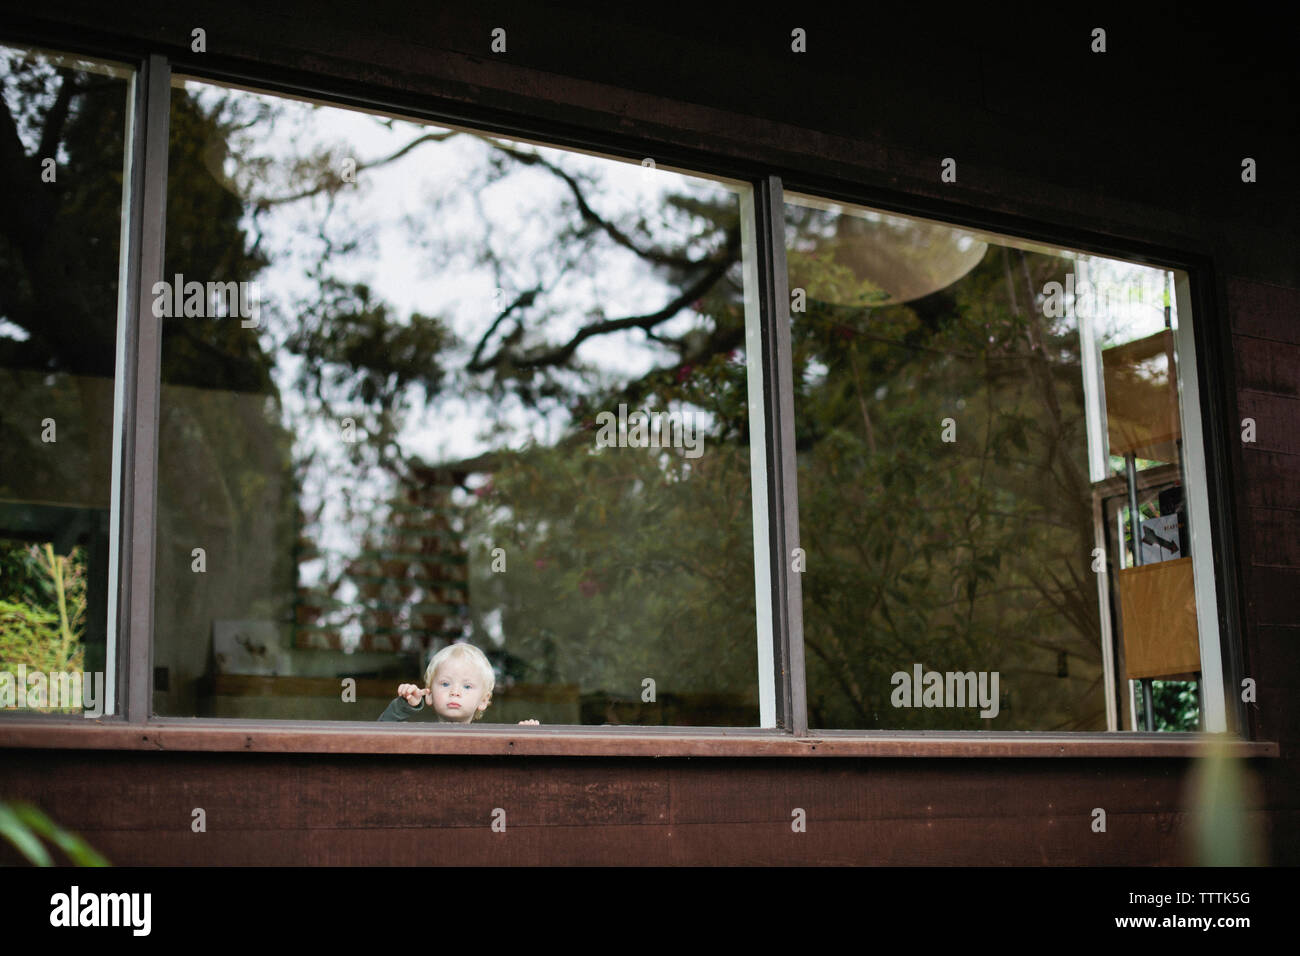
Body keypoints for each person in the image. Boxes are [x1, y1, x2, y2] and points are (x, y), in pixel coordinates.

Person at [378, 642, 539, 725]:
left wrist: (525, 737)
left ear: (484, 700)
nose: (455, 692)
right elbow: (378, 736)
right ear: (429, 695)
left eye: (467, 686)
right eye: (445, 684)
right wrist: (403, 705)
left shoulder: (488, 740)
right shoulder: (420, 734)